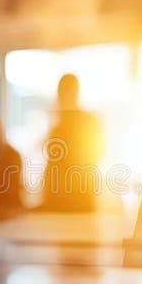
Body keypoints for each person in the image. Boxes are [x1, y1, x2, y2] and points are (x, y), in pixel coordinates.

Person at [41, 74, 104, 212]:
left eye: (64, 91)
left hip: (76, 198)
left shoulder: (85, 122)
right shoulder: (59, 125)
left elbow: (96, 154)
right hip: (64, 200)